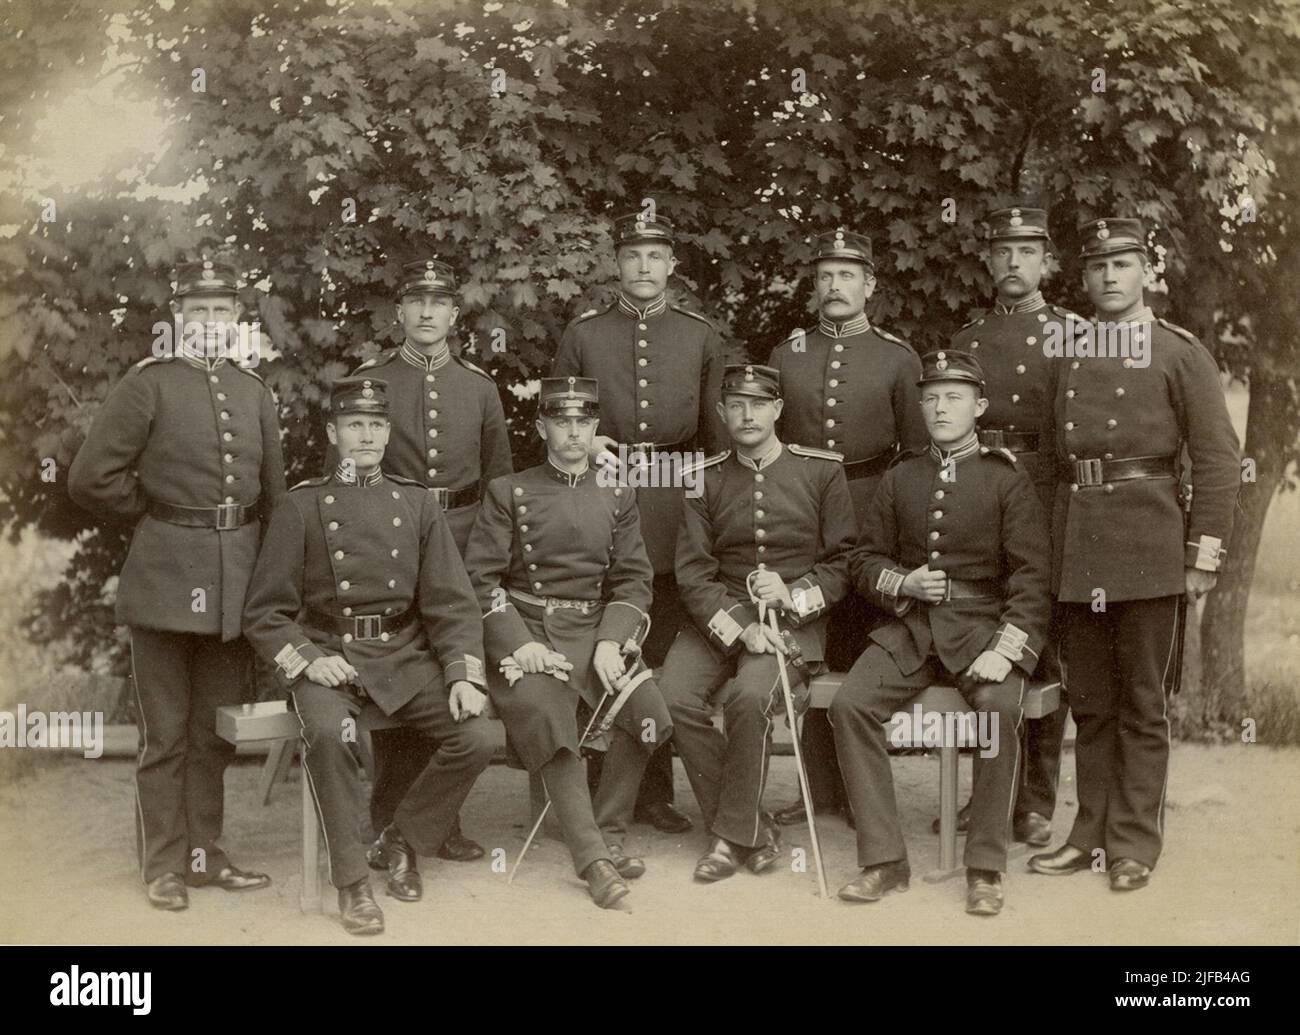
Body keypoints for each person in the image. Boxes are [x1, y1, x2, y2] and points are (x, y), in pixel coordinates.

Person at [1029, 218, 1239, 891]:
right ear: (1084, 276)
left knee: (1143, 702)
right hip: (1080, 543)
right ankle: (1088, 831)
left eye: (1123, 263)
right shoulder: (1067, 352)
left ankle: (1132, 844)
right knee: (1090, 700)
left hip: (1150, 545)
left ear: (1147, 271)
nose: (1110, 276)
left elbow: (1217, 459)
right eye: (1098, 266)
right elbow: (1048, 460)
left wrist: (1202, 554)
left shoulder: (1180, 352)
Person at [68, 258, 284, 911]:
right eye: (199, 311)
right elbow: (89, 477)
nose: (211, 323)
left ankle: (203, 855)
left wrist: (270, 582)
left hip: (235, 582)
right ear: (179, 317)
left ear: (236, 320)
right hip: (164, 580)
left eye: (223, 312)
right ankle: (162, 863)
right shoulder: (149, 385)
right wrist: (155, 517)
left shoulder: (254, 392)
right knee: (164, 734)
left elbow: (273, 498)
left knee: (212, 732)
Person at [242, 377, 494, 934]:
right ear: (333, 432)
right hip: (328, 658)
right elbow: (264, 613)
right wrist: (306, 659)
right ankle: (353, 884)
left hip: (402, 656)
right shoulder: (300, 505)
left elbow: (452, 603)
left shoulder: (415, 501)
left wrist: (462, 675)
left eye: (376, 425)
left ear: (388, 433)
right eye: (354, 424)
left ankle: (400, 839)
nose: (367, 435)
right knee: (330, 740)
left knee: (479, 735)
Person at [830, 349, 1051, 916]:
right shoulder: (903, 475)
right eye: (930, 397)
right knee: (851, 704)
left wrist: (1008, 651)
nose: (940, 408)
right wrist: (903, 583)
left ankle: (985, 869)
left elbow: (1032, 578)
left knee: (999, 713)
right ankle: (883, 862)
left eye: (953, 397)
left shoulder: (1007, 479)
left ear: (979, 406)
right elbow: (863, 560)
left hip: (983, 631)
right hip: (912, 630)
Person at [463, 376, 673, 908]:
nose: (574, 432)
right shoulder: (509, 490)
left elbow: (632, 580)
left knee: (650, 716)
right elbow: (480, 581)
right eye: (562, 422)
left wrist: (612, 641)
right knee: (549, 716)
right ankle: (593, 859)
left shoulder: (619, 491)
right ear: (541, 427)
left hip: (595, 632)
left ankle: (606, 829)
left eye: (583, 422)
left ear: (596, 427)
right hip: (529, 633)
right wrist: (515, 642)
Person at [553, 209, 727, 834]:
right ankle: (596, 791)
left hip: (677, 497)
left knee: (660, 647)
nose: (644, 267)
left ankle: (655, 792)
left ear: (672, 265)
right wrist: (592, 443)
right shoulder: (586, 332)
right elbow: (559, 416)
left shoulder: (699, 334)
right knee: (606, 640)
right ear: (617, 264)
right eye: (632, 256)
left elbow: (717, 438)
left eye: (655, 256)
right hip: (605, 490)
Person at [659, 363, 856, 882]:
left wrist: (793, 596)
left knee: (750, 699)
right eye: (736, 406)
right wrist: (742, 627)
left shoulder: (821, 472)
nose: (747, 415)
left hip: (793, 621)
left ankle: (727, 839)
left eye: (759, 404)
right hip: (720, 618)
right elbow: (695, 573)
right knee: (673, 696)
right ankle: (753, 826)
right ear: (722, 413)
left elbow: (843, 564)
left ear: (778, 410)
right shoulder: (703, 480)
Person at [347, 257, 512, 867]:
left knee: (456, 670)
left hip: (466, 533)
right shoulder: (373, 380)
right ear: (400, 313)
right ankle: (389, 817)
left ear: (453, 314)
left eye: (437, 303)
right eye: (415, 302)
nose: (425, 312)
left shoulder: (479, 386)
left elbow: (499, 483)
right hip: (393, 534)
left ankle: (439, 822)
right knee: (401, 667)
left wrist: (495, 551)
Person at [768, 228, 927, 829]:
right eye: (825, 277)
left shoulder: (896, 356)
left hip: (869, 507)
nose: (835, 287)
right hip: (803, 512)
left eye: (847, 276)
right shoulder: (788, 354)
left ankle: (860, 791)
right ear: (815, 287)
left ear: (869, 285)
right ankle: (818, 791)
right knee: (809, 650)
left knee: (859, 649)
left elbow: (914, 455)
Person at [944, 206, 1082, 847]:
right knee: (986, 635)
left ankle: (1034, 801)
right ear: (990, 261)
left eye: (1027, 252)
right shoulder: (969, 339)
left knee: (1039, 641)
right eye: (1003, 252)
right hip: (979, 490)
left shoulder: (1070, 334)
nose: (1014, 263)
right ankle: (987, 791)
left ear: (1046, 261)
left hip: (1043, 486)